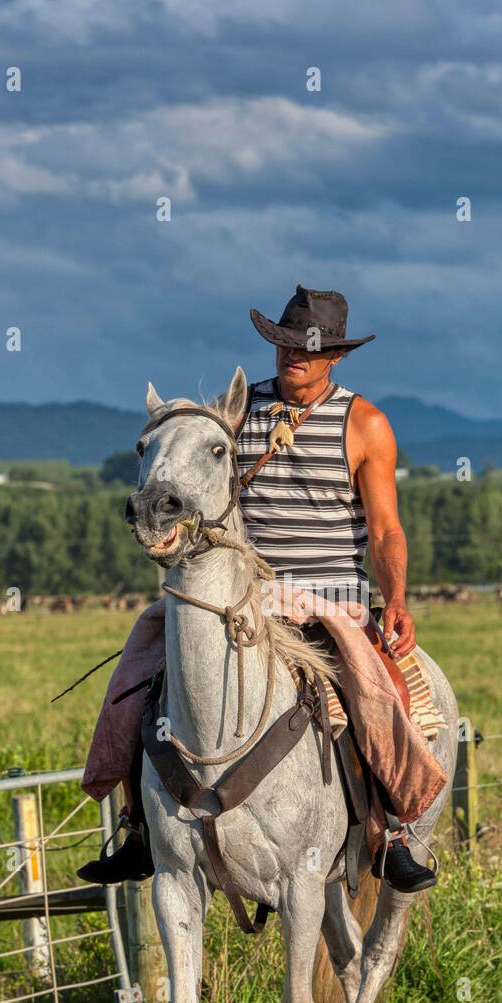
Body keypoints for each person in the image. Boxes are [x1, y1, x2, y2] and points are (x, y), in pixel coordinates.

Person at [78, 286, 439, 893]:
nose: (293, 355)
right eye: (285, 344)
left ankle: (393, 832)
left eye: (307, 348)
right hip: (242, 598)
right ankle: (140, 826)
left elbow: (385, 529)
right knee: (145, 676)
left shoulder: (366, 424)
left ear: (336, 357)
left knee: (378, 690)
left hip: (329, 602)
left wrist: (396, 598)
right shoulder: (239, 412)